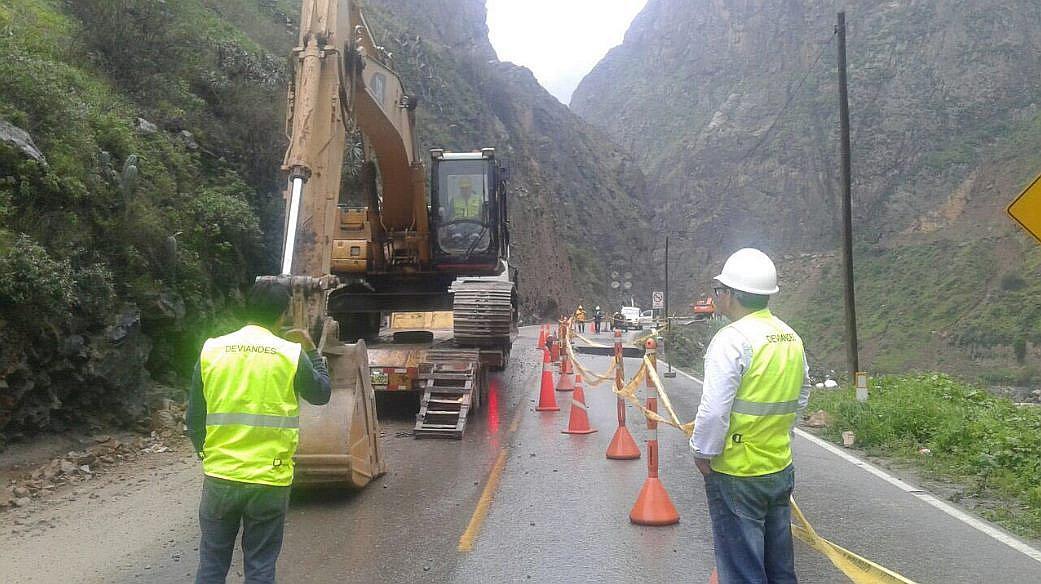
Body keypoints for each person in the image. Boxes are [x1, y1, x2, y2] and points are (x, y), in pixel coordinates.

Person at [187, 280, 331, 584]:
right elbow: (321, 394)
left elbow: (195, 416)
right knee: (260, 567)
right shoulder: (290, 354)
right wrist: (313, 352)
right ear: (283, 315)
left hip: (221, 476)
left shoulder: (212, 350)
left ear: (246, 309)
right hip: (270, 480)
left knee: (212, 564)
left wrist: (207, 454)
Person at [690, 248, 810, 584]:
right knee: (780, 569)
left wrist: (702, 452)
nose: (717, 298)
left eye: (719, 291)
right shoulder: (790, 337)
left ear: (729, 295)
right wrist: (776, 433)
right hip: (779, 467)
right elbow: (802, 394)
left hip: (737, 473)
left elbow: (714, 410)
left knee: (743, 571)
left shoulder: (732, 339)